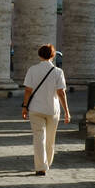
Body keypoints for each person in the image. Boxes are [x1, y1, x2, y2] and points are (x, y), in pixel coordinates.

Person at [21, 44, 69, 175]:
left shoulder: (32, 70)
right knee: (50, 139)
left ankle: (41, 167)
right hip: (52, 110)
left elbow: (27, 91)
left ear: (39, 55)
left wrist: (24, 107)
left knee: (38, 138)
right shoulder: (58, 72)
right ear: (53, 56)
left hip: (35, 109)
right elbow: (61, 93)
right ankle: (47, 163)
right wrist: (67, 112)